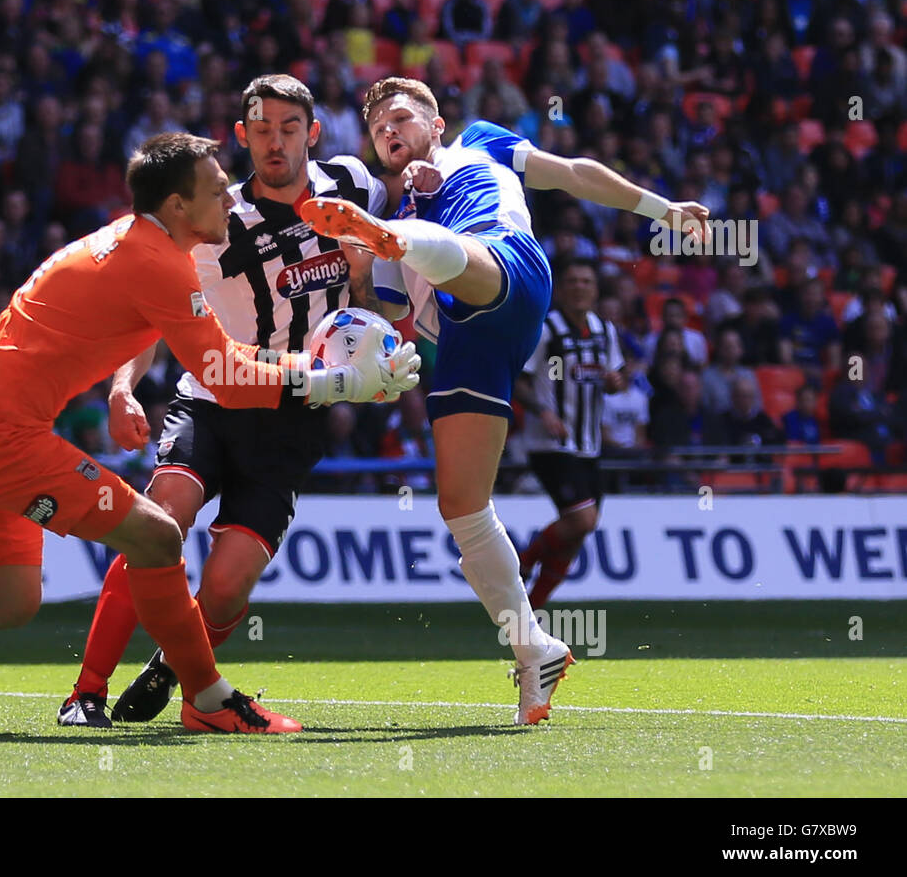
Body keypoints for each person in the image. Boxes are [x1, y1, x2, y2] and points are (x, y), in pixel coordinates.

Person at [0, 133, 418, 737]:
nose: (231, 198)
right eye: (218, 191)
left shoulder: (136, 243)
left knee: (7, 600)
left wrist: (125, 387)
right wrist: (334, 379)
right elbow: (226, 372)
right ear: (180, 205)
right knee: (156, 534)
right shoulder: (157, 262)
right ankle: (209, 697)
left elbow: (181, 342)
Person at [297, 76, 708, 725]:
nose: (389, 133)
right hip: (465, 336)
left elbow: (573, 174)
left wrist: (663, 211)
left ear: (436, 125)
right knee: (462, 504)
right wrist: (359, 280)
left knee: (446, 250)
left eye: (401, 118)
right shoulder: (390, 216)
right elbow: (388, 316)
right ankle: (532, 647)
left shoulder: (478, 145)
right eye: (378, 130)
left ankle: (407, 243)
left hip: (508, 270)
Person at [60, 74, 398, 727]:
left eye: (289, 128)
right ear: (242, 136)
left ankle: (182, 681)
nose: (276, 142)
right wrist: (124, 386)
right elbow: (157, 315)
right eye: (262, 129)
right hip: (210, 401)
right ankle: (87, 690)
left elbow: (387, 275)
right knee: (159, 524)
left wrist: (371, 291)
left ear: (315, 133)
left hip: (295, 417)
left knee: (224, 584)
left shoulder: (356, 188)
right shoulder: (217, 220)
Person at [514, 259, 627, 608]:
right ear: (561, 290)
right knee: (583, 519)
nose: (580, 287)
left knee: (578, 533)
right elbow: (518, 379)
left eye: (587, 281)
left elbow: (614, 378)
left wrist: (614, 383)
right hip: (551, 443)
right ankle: (517, 567)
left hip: (589, 444)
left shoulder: (603, 330)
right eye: (573, 281)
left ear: (595, 290)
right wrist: (544, 411)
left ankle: (530, 608)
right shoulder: (546, 329)